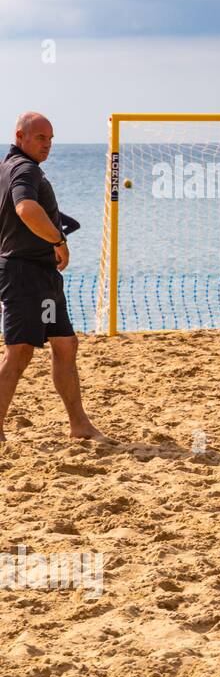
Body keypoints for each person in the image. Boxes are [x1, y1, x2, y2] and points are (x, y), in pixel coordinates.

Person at [0, 112, 107, 443]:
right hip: (23, 275)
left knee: (65, 344)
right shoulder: (24, 169)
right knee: (19, 353)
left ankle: (80, 425)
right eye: (40, 138)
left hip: (41, 277)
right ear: (20, 136)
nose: (47, 145)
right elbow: (25, 209)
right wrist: (58, 240)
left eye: (50, 139)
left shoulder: (10, 167)